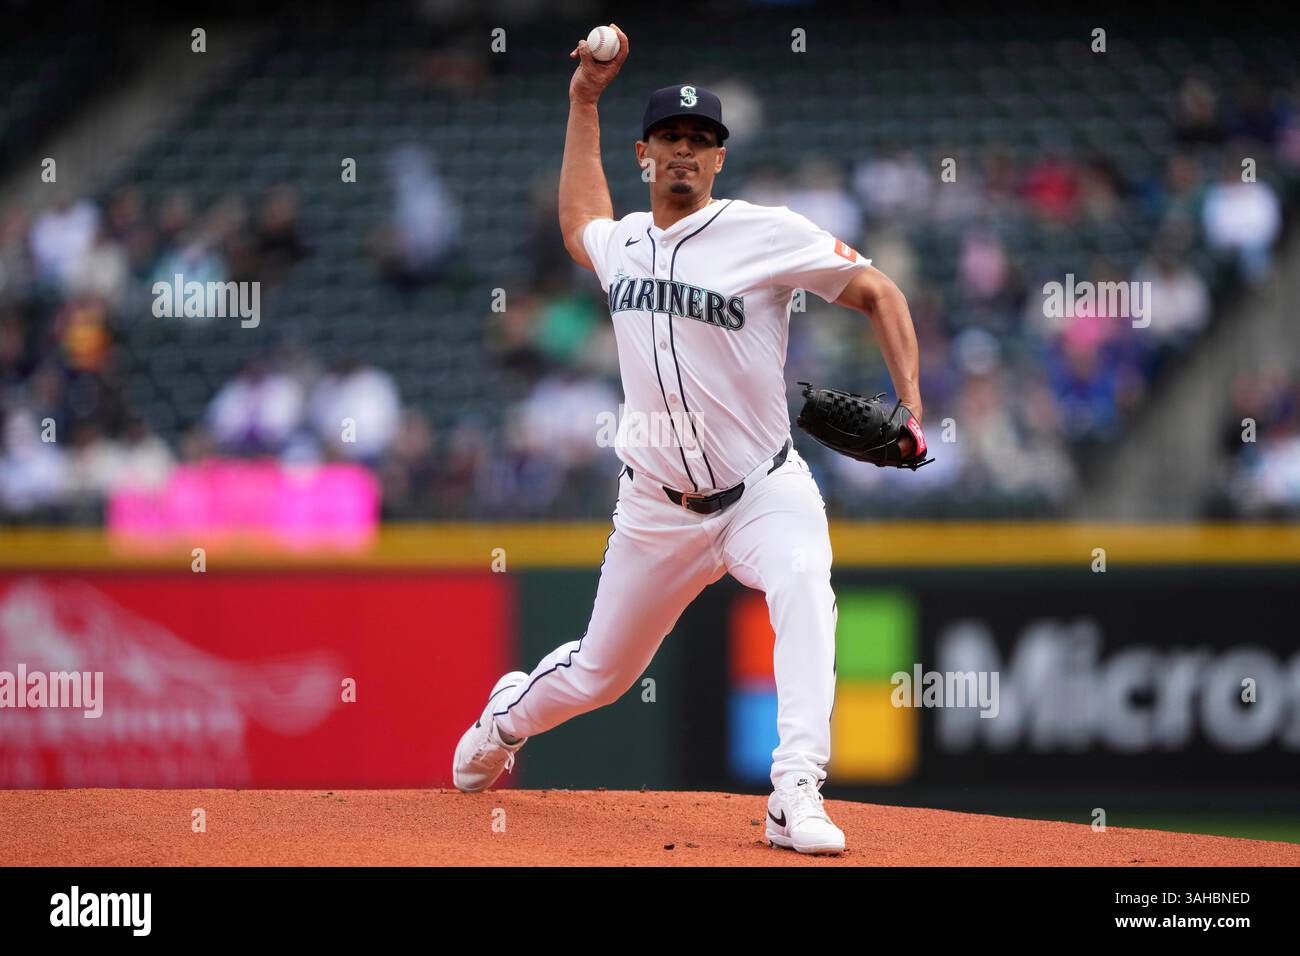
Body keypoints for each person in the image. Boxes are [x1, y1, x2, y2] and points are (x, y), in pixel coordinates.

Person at [451, 25, 926, 856]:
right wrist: (582, 102)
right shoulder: (624, 241)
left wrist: (913, 406)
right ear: (646, 152)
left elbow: (879, 290)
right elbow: (578, 223)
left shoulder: (766, 232)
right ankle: (505, 719)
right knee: (602, 674)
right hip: (656, 506)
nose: (685, 151)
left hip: (764, 489)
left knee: (806, 589)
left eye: (701, 141)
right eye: (671, 137)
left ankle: (795, 792)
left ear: (719, 160)